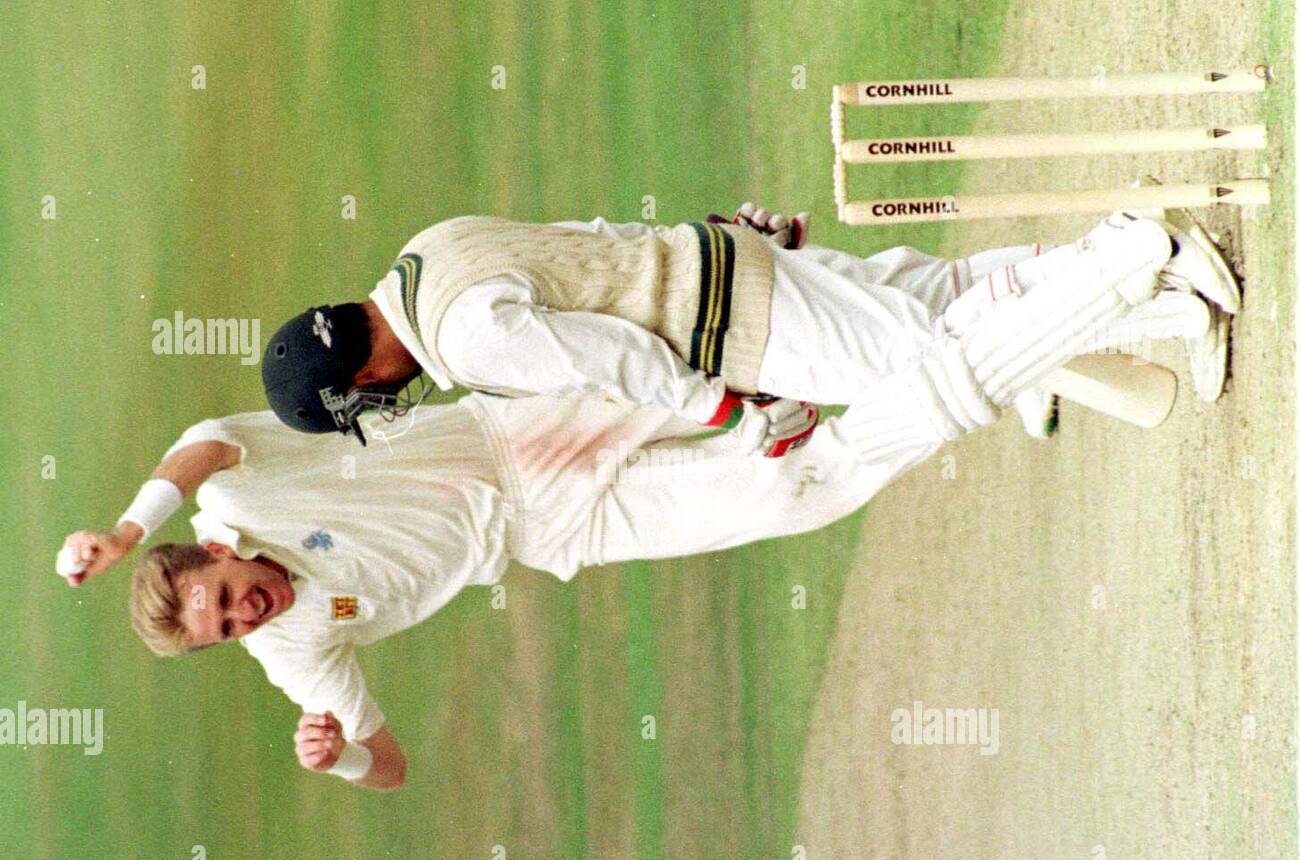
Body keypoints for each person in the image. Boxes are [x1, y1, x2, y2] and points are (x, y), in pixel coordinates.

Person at [58, 385, 932, 791]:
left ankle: (987, 307)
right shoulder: (290, 649)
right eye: (225, 632)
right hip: (543, 532)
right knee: (787, 491)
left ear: (214, 550)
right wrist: (342, 759)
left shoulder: (239, 492)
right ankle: (966, 390)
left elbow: (204, 439)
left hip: (525, 433)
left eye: (225, 594)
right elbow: (390, 767)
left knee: (753, 383)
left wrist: (128, 529)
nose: (246, 613)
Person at [258, 202, 1238, 456]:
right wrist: (719, 230)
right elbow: (591, 243)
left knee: (949, 358)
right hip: (724, 264)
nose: (383, 405)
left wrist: (726, 407)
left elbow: (616, 355)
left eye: (362, 403)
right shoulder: (425, 251)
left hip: (739, 326)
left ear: (359, 379)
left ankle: (1146, 269)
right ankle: (1145, 279)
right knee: (939, 296)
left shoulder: (464, 342)